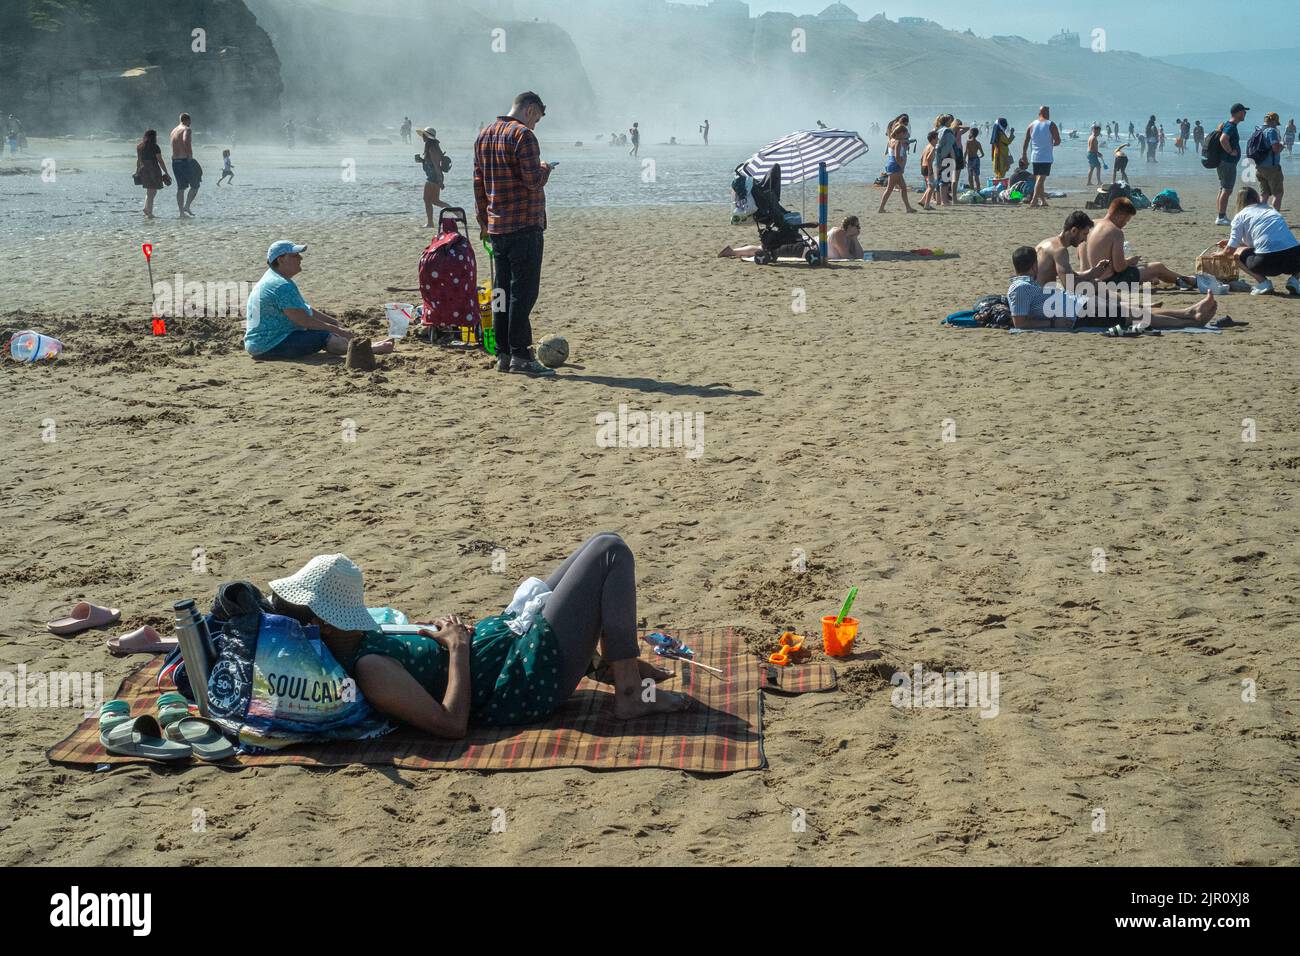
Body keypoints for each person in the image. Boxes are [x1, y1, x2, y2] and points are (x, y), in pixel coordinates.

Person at [267, 534, 692, 737]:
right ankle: (631, 694)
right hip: (521, 678)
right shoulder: (370, 667)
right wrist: (455, 649)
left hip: (508, 644)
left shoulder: (361, 640)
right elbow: (451, 724)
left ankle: (614, 667)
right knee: (610, 553)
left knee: (597, 548)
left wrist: (439, 637)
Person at [473, 91, 556, 377]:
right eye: (537, 119)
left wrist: (484, 222)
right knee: (523, 292)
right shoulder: (524, 136)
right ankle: (521, 354)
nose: (535, 126)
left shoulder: (484, 134)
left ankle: (503, 354)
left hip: (498, 227)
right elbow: (532, 180)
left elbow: (478, 184)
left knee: (500, 291)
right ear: (531, 109)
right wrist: (545, 169)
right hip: (524, 225)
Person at [1007, 245, 1224, 331]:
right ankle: (1190, 319)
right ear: (1033, 265)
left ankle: (1188, 313)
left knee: (1134, 312)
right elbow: (1020, 322)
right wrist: (1053, 322)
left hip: (1079, 306)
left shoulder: (1026, 285)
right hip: (1078, 315)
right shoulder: (1019, 289)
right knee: (1135, 317)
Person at [244, 241, 395, 361]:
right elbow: (305, 321)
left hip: (262, 343)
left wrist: (334, 322)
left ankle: (362, 345)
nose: (300, 258)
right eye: (296, 255)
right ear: (281, 259)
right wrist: (336, 330)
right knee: (324, 335)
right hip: (269, 345)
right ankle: (370, 349)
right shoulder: (281, 285)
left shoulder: (275, 279)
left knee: (326, 328)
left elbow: (304, 309)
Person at [1080, 197, 1197, 289]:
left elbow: (1086, 258)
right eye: (1126, 220)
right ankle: (1190, 281)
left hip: (1088, 280)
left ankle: (1162, 278)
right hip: (1109, 282)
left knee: (1148, 272)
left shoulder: (1090, 226)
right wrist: (1129, 261)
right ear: (1120, 216)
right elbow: (1119, 268)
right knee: (1157, 267)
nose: (1125, 224)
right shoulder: (1115, 232)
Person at [1220, 187, 1300, 295]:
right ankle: (1294, 280)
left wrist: (1220, 253)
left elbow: (1230, 250)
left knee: (1235, 254)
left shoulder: (1240, 216)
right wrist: (1233, 243)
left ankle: (1263, 283)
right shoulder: (1271, 210)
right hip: (1293, 261)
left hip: (1266, 263)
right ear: (1257, 198)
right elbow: (1262, 241)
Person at [1032, 211, 1113, 286]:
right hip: (1043, 298)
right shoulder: (1060, 251)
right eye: (1084, 234)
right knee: (1097, 289)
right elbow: (1069, 285)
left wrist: (1092, 272)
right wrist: (1093, 283)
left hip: (1033, 294)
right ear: (1074, 230)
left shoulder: (1046, 242)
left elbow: (1069, 275)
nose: (1085, 239)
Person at [1019, 105, 1060, 208]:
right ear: (1047, 113)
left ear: (1039, 114)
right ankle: (1034, 200)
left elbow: (1026, 141)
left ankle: (1043, 201)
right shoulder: (1051, 124)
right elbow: (1058, 141)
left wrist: (1024, 155)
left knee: (1039, 179)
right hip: (1046, 157)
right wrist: (1051, 144)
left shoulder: (1032, 125)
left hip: (1035, 157)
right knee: (1040, 179)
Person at [1214, 103, 1248, 225]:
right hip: (1227, 162)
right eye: (1244, 112)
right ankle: (1221, 217)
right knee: (1227, 190)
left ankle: (1220, 215)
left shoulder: (1229, 124)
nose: (1245, 114)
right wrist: (1230, 151)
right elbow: (1223, 139)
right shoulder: (1231, 126)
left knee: (1223, 188)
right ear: (1238, 113)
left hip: (1224, 162)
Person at [878, 115, 916, 213]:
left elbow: (898, 145)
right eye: (905, 133)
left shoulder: (891, 140)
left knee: (903, 187)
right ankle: (881, 208)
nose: (906, 135)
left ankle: (908, 207)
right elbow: (897, 156)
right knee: (890, 188)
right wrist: (902, 166)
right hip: (895, 165)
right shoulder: (898, 142)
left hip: (891, 164)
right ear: (900, 133)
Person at [416, 127, 449, 227]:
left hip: (433, 176)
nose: (422, 137)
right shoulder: (431, 146)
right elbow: (431, 162)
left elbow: (436, 164)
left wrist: (440, 180)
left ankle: (430, 222)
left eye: (424, 135)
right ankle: (456, 212)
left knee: (427, 199)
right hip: (434, 176)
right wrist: (421, 160)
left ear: (427, 136)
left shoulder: (432, 147)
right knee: (435, 201)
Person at [134, 129, 171, 219]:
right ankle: (149, 212)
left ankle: (146, 208)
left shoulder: (139, 146)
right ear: (154, 137)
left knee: (149, 191)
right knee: (152, 191)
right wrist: (166, 172)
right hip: (153, 170)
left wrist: (137, 171)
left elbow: (139, 160)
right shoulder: (155, 147)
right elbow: (160, 161)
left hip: (144, 170)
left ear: (145, 136)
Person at [170, 112, 200, 218]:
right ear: (187, 120)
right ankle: (187, 206)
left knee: (181, 188)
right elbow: (185, 141)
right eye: (190, 121)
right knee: (195, 185)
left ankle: (181, 213)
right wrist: (190, 156)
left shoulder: (173, 131)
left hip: (175, 162)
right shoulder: (186, 129)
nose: (190, 123)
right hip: (184, 161)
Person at [1255, 112, 1285, 211]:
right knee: (1278, 194)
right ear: (1273, 121)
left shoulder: (1258, 130)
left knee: (1264, 194)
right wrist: (1281, 146)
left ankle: (1260, 216)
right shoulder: (1271, 131)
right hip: (1271, 167)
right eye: (1276, 123)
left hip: (1259, 166)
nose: (1277, 125)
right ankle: (1274, 218)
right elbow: (1275, 149)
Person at [919, 129, 939, 210]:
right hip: (928, 167)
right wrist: (930, 170)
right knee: (932, 186)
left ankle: (923, 201)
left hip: (923, 167)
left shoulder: (927, 146)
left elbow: (921, 158)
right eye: (937, 138)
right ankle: (927, 205)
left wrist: (921, 167)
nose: (938, 139)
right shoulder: (933, 147)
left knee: (929, 186)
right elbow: (928, 159)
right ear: (933, 138)